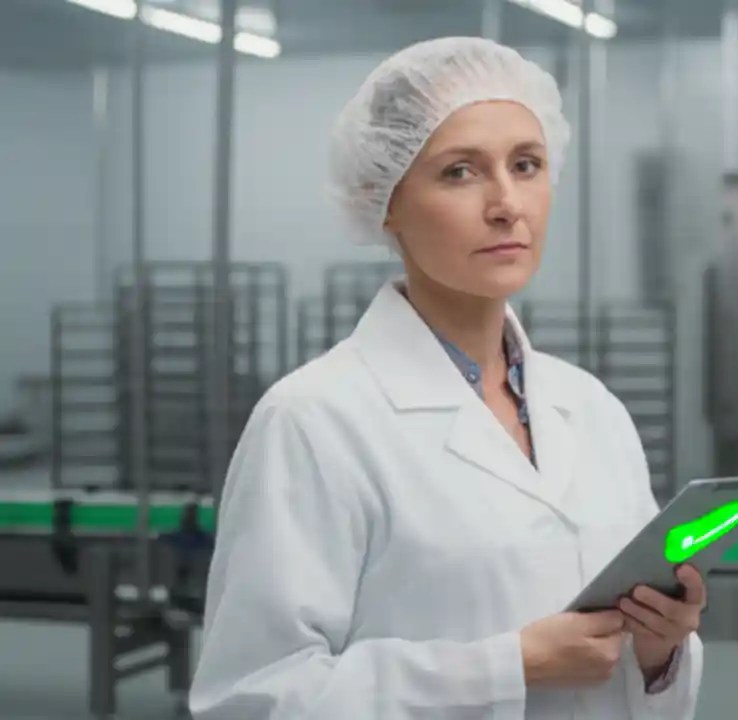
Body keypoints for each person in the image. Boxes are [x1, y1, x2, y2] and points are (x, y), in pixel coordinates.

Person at [189, 37, 704, 719]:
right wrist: (505, 668)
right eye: (460, 171)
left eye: (526, 164)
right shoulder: (314, 420)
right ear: (385, 201)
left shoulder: (591, 406)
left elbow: (629, 678)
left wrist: (659, 653)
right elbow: (250, 699)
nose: (506, 204)